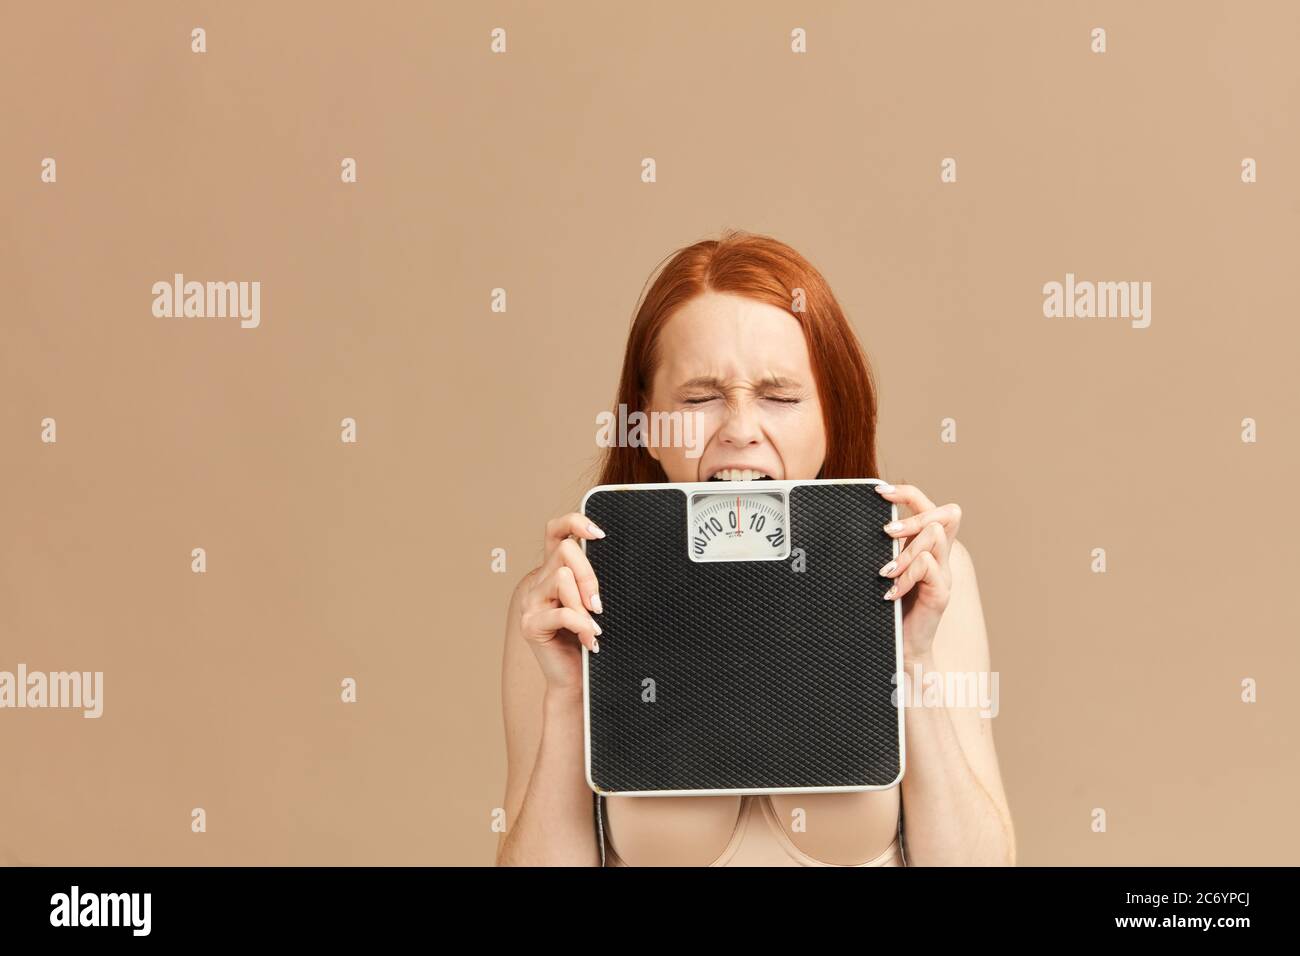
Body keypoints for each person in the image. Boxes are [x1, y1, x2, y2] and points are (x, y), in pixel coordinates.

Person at [496, 229, 1014, 866]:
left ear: (833, 417)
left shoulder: (925, 580)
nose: (740, 430)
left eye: (780, 397)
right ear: (646, 425)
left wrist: (912, 662)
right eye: (699, 398)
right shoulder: (559, 606)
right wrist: (570, 697)